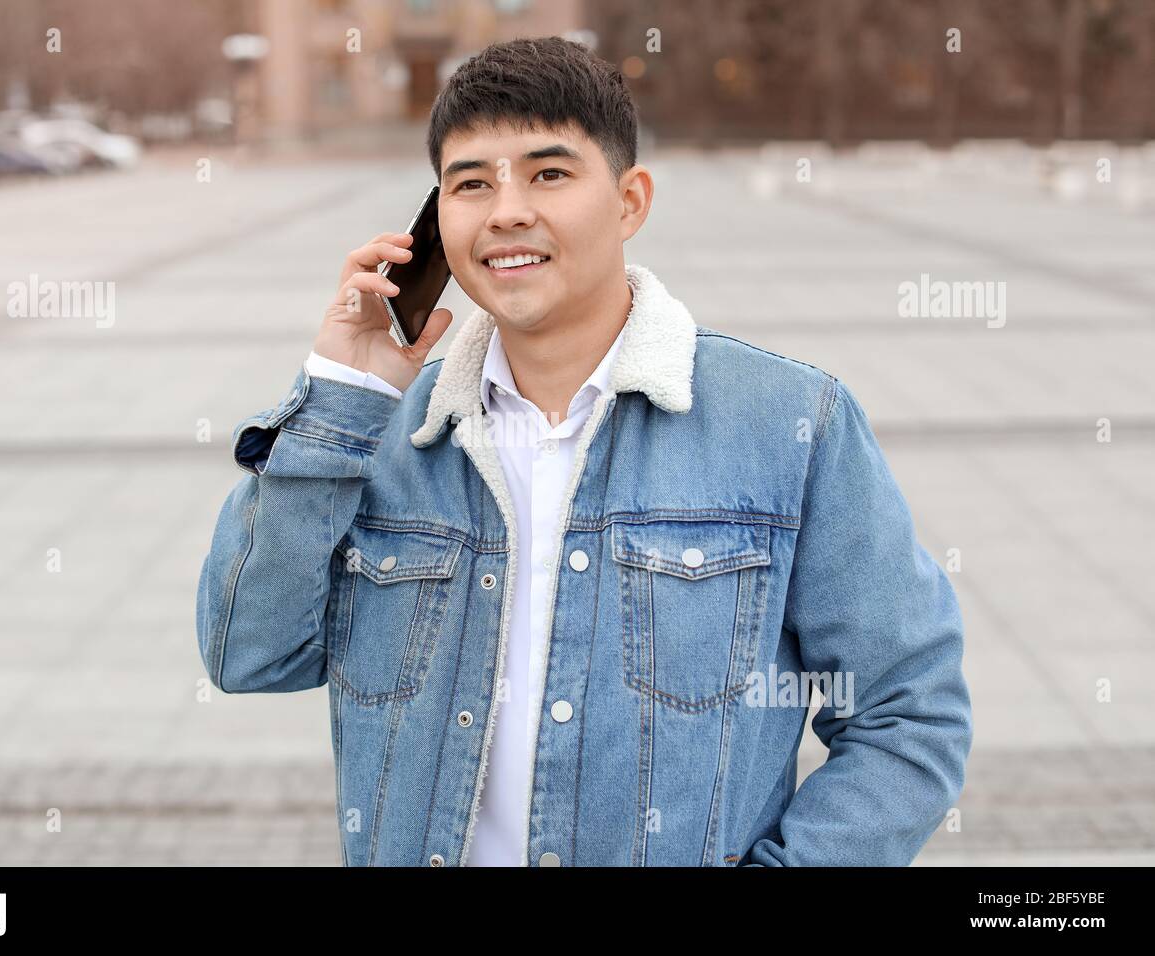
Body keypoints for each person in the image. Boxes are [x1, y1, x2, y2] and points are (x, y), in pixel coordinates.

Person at [196, 36, 973, 867]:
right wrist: (339, 400)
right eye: (470, 184)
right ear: (435, 223)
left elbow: (908, 710)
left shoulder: (789, 423)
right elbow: (250, 653)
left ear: (631, 200)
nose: (506, 212)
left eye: (549, 174)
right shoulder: (379, 437)